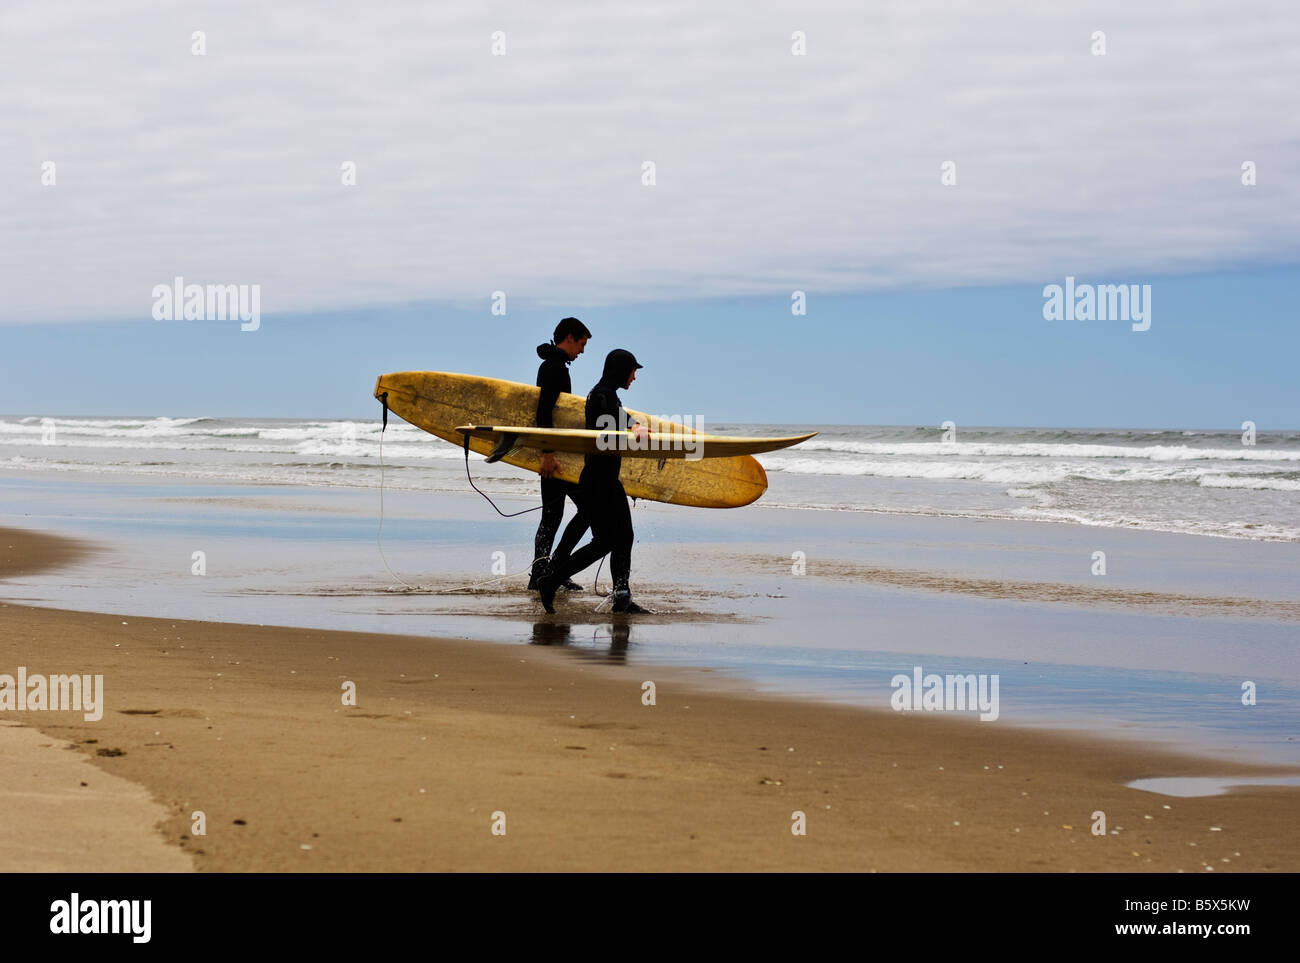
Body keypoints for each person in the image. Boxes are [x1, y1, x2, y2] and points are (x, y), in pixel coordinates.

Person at [538, 348, 651, 615]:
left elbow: (618, 417)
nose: (634, 377)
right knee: (607, 541)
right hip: (599, 481)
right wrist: (629, 430)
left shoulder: (605, 394)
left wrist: (634, 426)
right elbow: (606, 426)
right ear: (622, 370)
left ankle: (621, 596)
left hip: (605, 479)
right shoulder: (602, 395)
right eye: (633, 371)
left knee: (621, 537)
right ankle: (552, 580)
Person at [529, 317, 593, 591]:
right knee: (588, 509)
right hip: (554, 455)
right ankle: (551, 570)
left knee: (552, 515)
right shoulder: (555, 368)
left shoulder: (552, 365)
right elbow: (543, 412)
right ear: (569, 338)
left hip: (556, 452)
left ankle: (543, 573)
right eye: (581, 344)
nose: (582, 350)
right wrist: (547, 453)